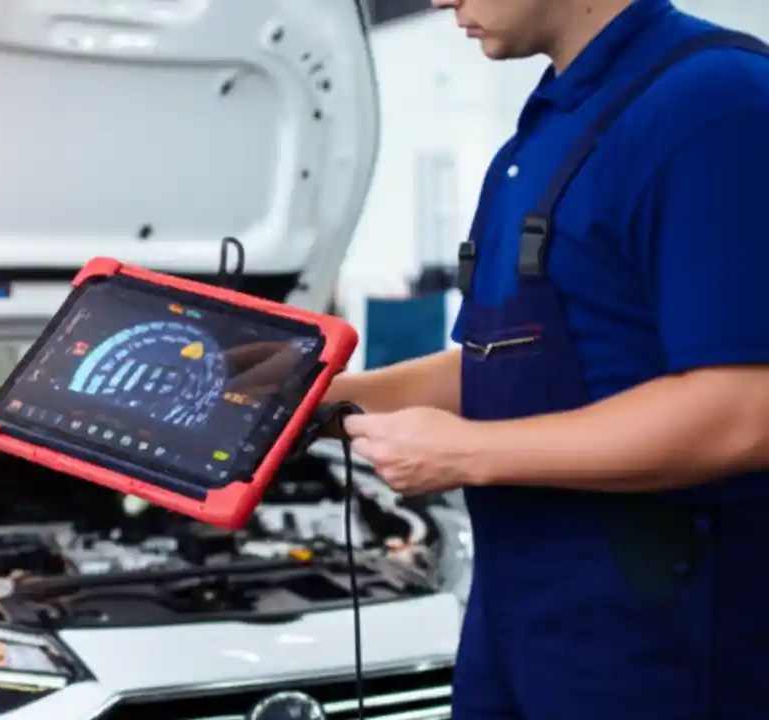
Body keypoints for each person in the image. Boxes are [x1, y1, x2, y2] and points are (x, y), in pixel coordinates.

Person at [324, 0, 769, 718]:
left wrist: (471, 454)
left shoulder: (717, 105)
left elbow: (746, 411)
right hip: (517, 623)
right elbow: (496, 365)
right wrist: (327, 399)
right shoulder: (541, 138)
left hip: (663, 646)